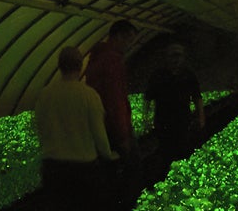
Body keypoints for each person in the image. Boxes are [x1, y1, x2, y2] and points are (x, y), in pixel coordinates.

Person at [34, 46, 118, 202]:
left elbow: (39, 126)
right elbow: (98, 132)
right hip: (83, 168)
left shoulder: (45, 94)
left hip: (53, 168)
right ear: (80, 67)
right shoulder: (89, 95)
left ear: (60, 66)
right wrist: (108, 155)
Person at [143, 42, 204, 171]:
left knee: (183, 149)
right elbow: (148, 98)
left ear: (183, 57)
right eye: (173, 55)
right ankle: (165, 174)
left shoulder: (188, 75)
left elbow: (197, 98)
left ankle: (180, 174)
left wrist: (201, 117)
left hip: (183, 121)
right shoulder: (158, 75)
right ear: (167, 57)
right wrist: (146, 119)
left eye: (179, 55)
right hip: (163, 122)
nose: (176, 59)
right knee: (165, 152)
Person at [84, 19, 139, 159]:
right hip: (112, 130)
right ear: (119, 36)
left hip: (99, 127)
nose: (130, 46)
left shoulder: (96, 58)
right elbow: (115, 100)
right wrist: (123, 135)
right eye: (129, 40)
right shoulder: (112, 61)